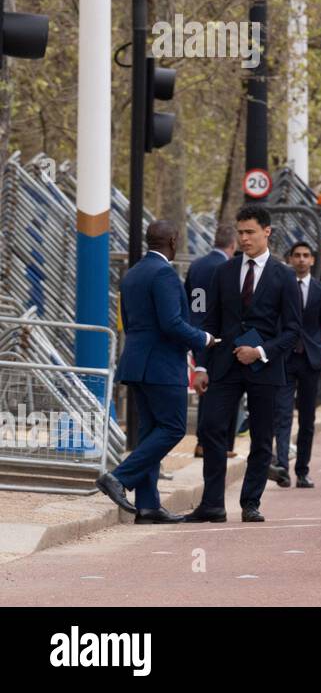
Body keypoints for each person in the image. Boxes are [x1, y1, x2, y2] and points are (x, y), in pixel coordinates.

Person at [184, 205, 303, 524]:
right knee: (210, 428)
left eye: (250, 232)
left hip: (265, 368)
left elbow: (293, 330)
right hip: (224, 366)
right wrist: (201, 367)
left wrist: (261, 351)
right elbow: (211, 321)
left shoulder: (284, 275)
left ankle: (251, 502)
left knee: (262, 437)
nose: (244, 238)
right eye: (240, 233)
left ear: (267, 232)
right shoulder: (223, 272)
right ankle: (212, 504)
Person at [97, 220, 214, 522]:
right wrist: (204, 338)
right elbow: (171, 323)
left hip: (136, 362)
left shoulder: (133, 274)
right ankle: (118, 477)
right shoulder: (164, 274)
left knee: (150, 432)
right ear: (173, 240)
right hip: (161, 365)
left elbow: (130, 320)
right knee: (174, 428)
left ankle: (148, 506)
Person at [271, 241, 321, 489]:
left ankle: (303, 471)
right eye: (297, 255)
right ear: (290, 258)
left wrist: (311, 345)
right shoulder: (280, 287)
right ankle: (283, 468)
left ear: (312, 260)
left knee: (308, 418)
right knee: (283, 415)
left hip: (310, 360)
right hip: (285, 359)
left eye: (306, 255)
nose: (301, 260)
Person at [184, 222, 237, 460]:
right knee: (220, 390)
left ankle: (202, 442)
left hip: (195, 328)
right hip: (217, 333)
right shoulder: (227, 267)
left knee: (204, 388)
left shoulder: (196, 265)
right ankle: (218, 443)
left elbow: (188, 299)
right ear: (233, 244)